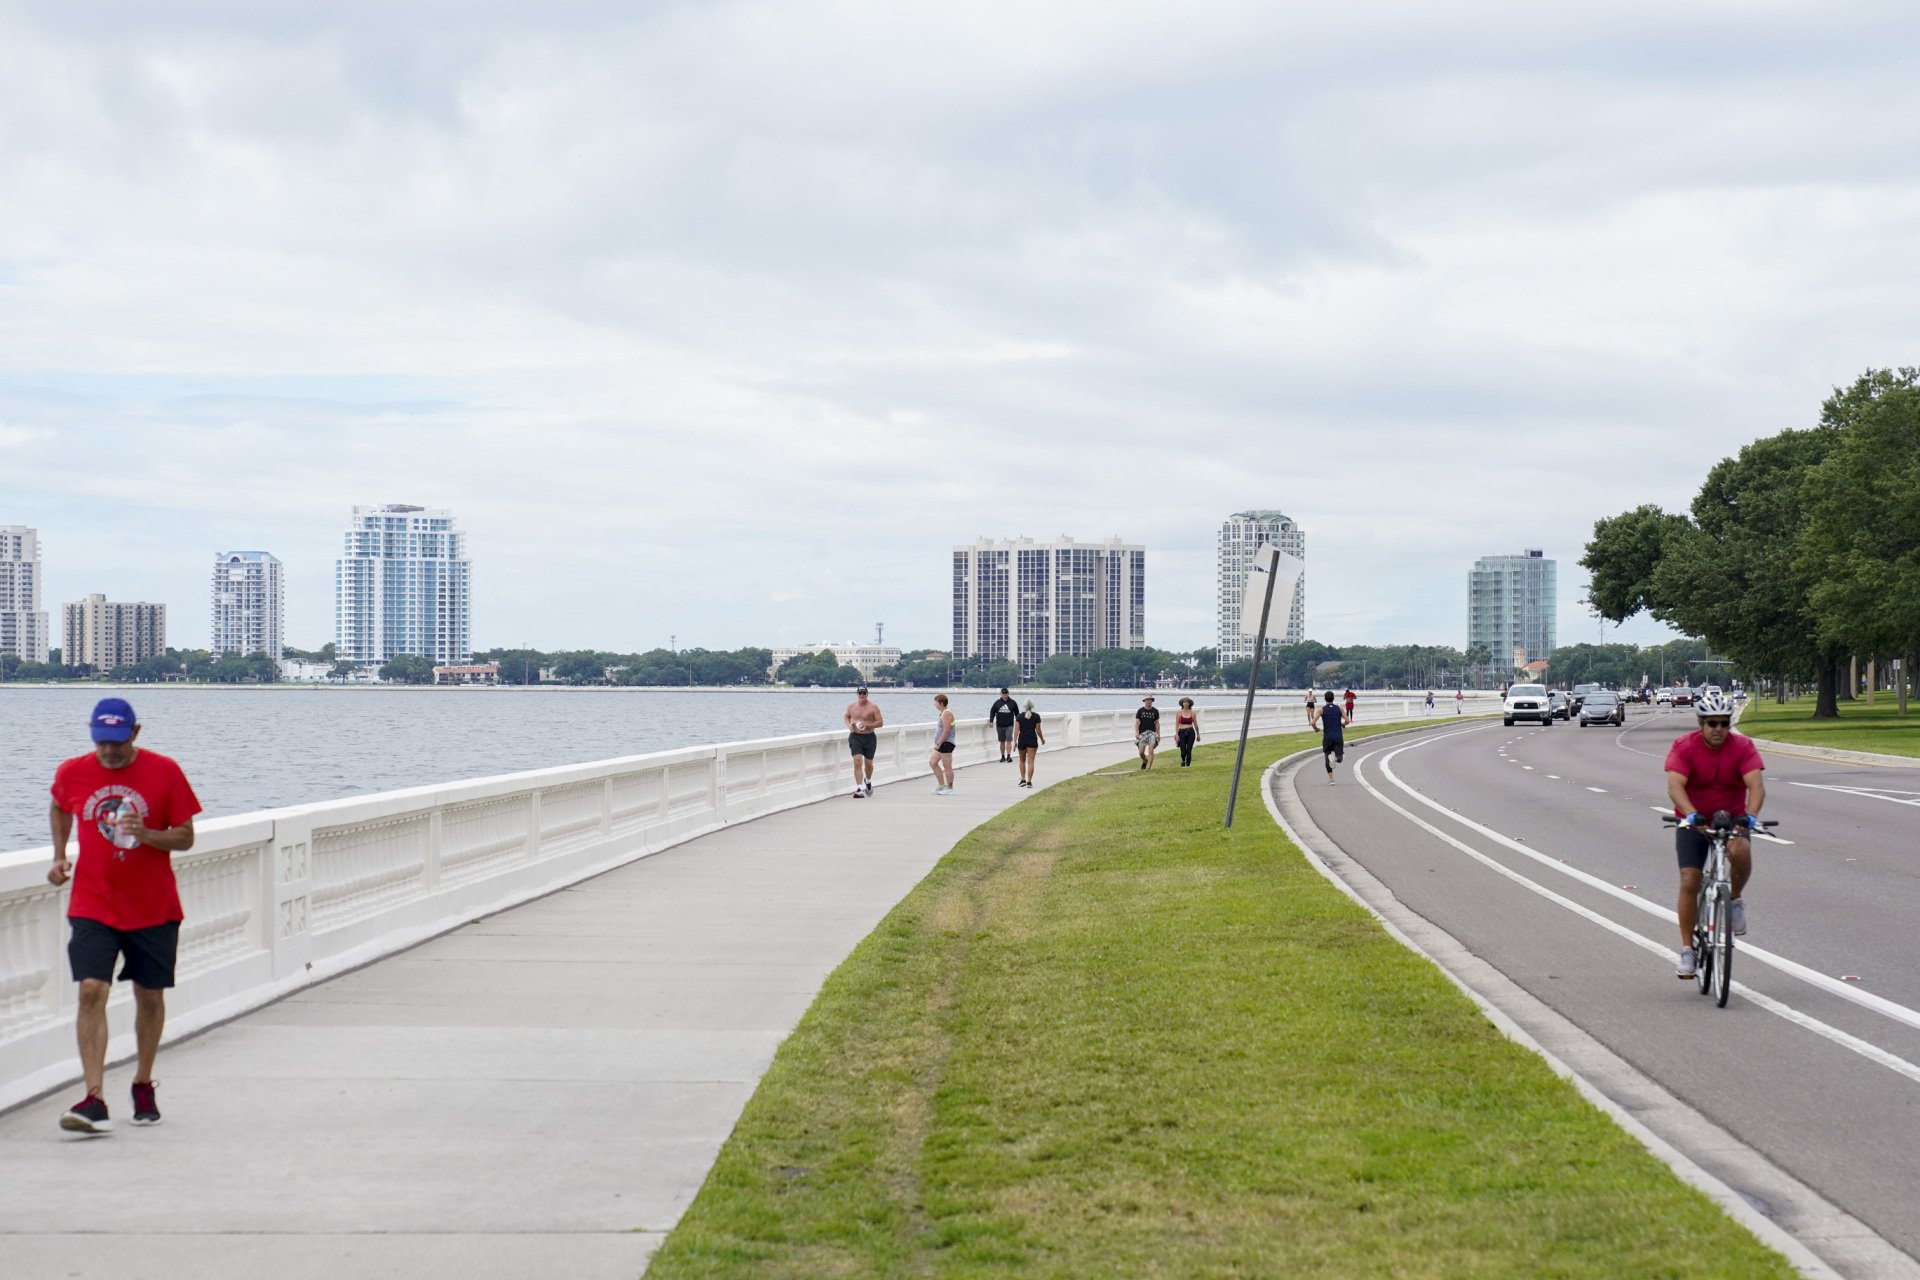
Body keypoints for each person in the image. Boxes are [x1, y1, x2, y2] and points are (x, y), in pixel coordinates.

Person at [46, 698, 202, 1136]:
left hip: (153, 906)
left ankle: (142, 1083)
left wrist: (146, 833)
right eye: (101, 742)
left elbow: (186, 837)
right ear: (91, 733)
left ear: (135, 733)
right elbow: (60, 805)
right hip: (93, 902)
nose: (109, 752)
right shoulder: (72, 771)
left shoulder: (164, 771)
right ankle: (94, 1098)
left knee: (149, 996)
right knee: (91, 990)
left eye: (117, 743)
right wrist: (59, 856)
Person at [1664, 691, 1764, 979]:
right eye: (1712, 724)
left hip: (1733, 819)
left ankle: (1734, 900)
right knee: (1690, 879)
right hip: (1694, 820)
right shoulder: (1684, 746)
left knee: (1741, 851)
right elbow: (1675, 786)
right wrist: (1690, 814)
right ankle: (1687, 951)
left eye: (1723, 723)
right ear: (1701, 723)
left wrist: (1751, 816)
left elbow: (1755, 785)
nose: (1719, 729)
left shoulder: (1743, 746)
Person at [843, 687, 886, 798]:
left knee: (869, 764)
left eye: (864, 693)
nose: (862, 695)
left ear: (867, 694)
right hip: (855, 737)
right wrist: (849, 725)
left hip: (869, 737)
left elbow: (880, 722)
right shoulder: (851, 706)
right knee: (857, 761)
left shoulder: (873, 707)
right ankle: (859, 788)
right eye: (860, 693)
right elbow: (846, 716)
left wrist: (868, 725)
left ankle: (868, 781)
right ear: (857, 694)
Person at [1311, 690, 1345, 784]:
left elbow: (1313, 722)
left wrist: (1316, 729)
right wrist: (1342, 724)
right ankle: (1335, 759)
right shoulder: (1339, 709)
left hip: (1327, 737)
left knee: (1327, 756)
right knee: (1340, 758)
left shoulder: (1321, 710)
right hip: (1338, 737)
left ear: (1325, 699)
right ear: (1333, 698)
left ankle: (1331, 779)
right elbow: (1347, 720)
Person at [929, 693, 956, 794]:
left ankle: (950, 788)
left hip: (946, 743)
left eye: (935, 702)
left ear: (941, 703)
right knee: (933, 762)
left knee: (947, 766)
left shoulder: (947, 713)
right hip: (941, 744)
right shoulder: (943, 713)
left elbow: (946, 731)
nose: (934, 705)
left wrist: (939, 743)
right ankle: (941, 786)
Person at [1014, 699, 1045, 788]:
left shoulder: (1019, 716)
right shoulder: (1036, 716)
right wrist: (1042, 739)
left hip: (1022, 740)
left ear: (1024, 706)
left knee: (1022, 760)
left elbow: (1016, 730)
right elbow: (1038, 730)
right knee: (1031, 761)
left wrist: (1014, 741)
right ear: (1033, 706)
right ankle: (1029, 782)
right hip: (1032, 740)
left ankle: (1023, 779)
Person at [989, 687, 1020, 763]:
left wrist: (1019, 722)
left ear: (1008, 693)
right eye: (1003, 693)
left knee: (1009, 740)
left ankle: (1009, 756)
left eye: (1006, 693)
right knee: (1002, 741)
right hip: (1000, 725)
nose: (1005, 694)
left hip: (1009, 725)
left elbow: (1017, 713)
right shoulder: (997, 703)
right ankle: (1002, 756)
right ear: (1001, 694)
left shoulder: (1013, 703)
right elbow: (992, 712)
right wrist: (991, 721)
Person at [1134, 694, 1161, 770]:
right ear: (1144, 701)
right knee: (1141, 752)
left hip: (1152, 733)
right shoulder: (1140, 711)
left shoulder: (1155, 711)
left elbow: (1157, 723)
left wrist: (1158, 734)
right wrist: (1136, 732)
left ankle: (1148, 769)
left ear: (1152, 701)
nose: (1149, 701)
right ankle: (1145, 761)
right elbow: (1137, 723)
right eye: (1147, 700)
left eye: (1150, 700)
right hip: (1142, 733)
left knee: (1151, 751)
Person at [1173, 697, 1200, 767]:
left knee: (1189, 750)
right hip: (1181, 732)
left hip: (1190, 732)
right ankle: (1183, 760)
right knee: (1183, 750)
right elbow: (1176, 725)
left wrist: (1198, 735)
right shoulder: (1179, 713)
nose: (1185, 703)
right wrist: (1176, 735)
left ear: (1189, 704)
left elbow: (1196, 725)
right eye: (1184, 702)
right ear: (1182, 704)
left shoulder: (1192, 713)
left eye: (1187, 702)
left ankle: (1188, 765)